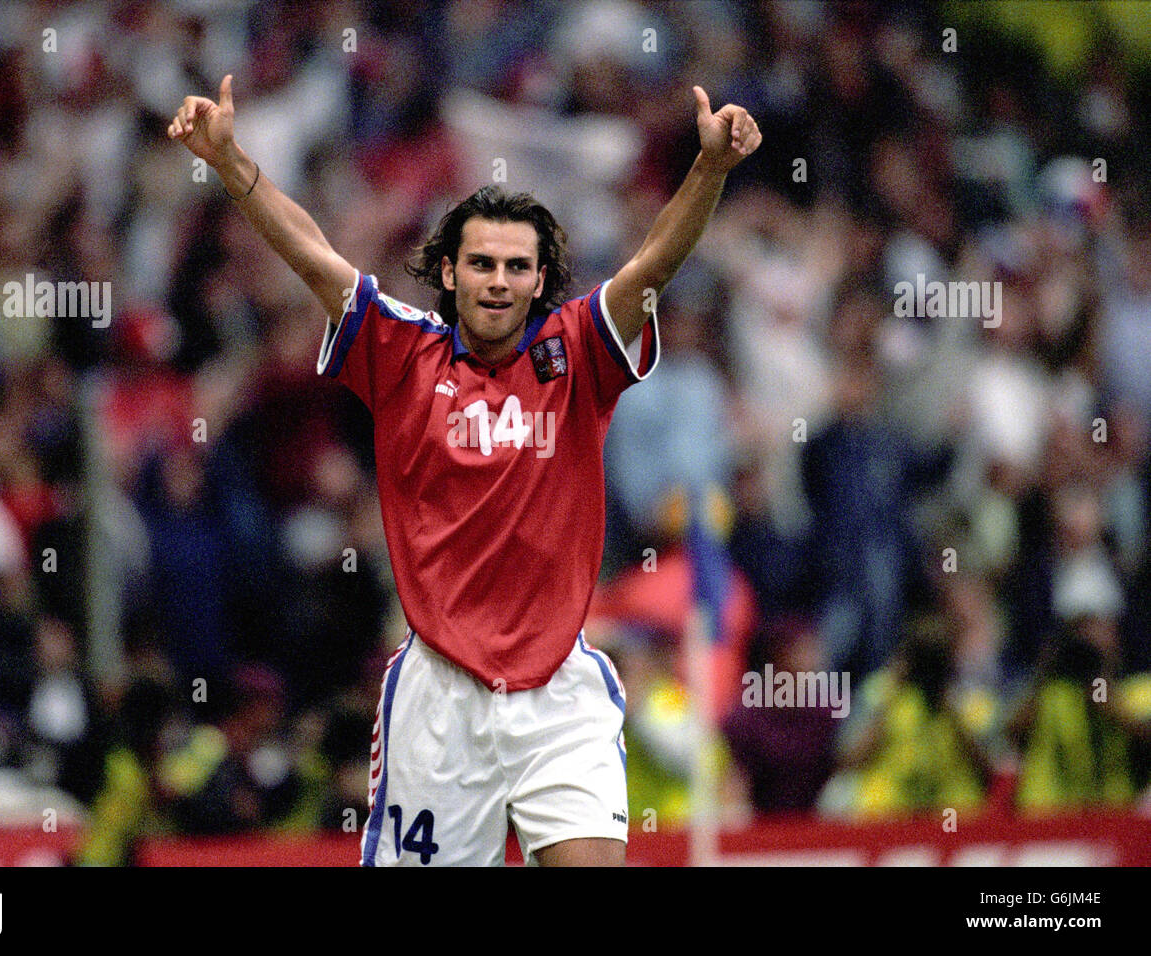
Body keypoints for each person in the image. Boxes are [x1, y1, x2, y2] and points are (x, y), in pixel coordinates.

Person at [168, 74, 760, 866]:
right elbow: (314, 258)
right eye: (480, 263)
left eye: (518, 266)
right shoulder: (402, 351)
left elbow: (653, 265)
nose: (498, 280)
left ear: (541, 280)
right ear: (448, 272)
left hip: (558, 693)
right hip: (440, 705)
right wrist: (228, 158)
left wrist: (709, 170)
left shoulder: (577, 353)